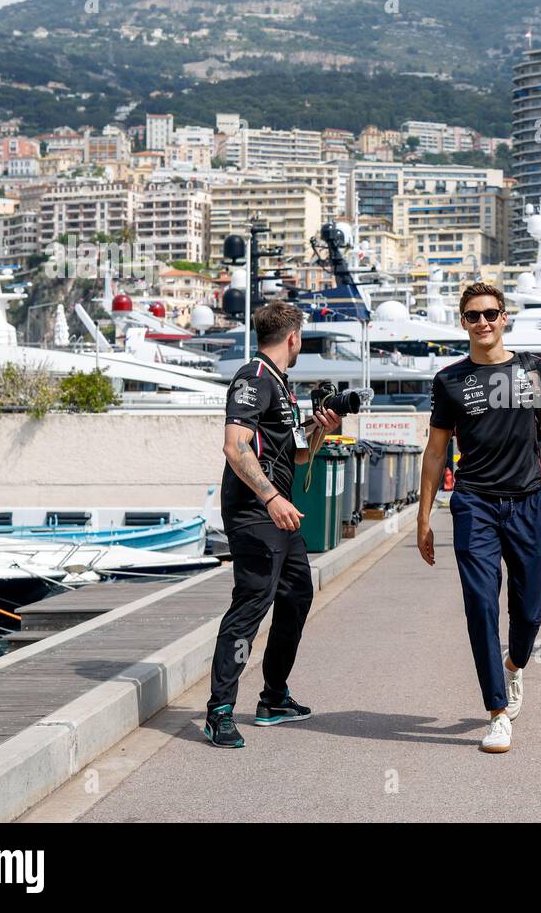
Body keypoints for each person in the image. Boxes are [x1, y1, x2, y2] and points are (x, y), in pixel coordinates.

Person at [417, 282, 541, 755]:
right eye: (473, 315)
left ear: (504, 318)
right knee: (481, 604)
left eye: (491, 313)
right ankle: (497, 712)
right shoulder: (450, 381)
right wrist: (423, 518)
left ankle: (515, 665)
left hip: (527, 502)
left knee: (530, 607)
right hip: (474, 503)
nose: (483, 322)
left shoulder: (530, 370)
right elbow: (436, 450)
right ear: (463, 322)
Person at [205, 300, 342, 749]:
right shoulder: (254, 378)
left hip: (278, 514)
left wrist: (321, 428)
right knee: (251, 604)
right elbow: (234, 444)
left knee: (297, 595)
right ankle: (220, 711)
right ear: (293, 338)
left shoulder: (281, 386)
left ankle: (274, 697)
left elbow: (299, 454)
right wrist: (271, 497)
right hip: (254, 513)